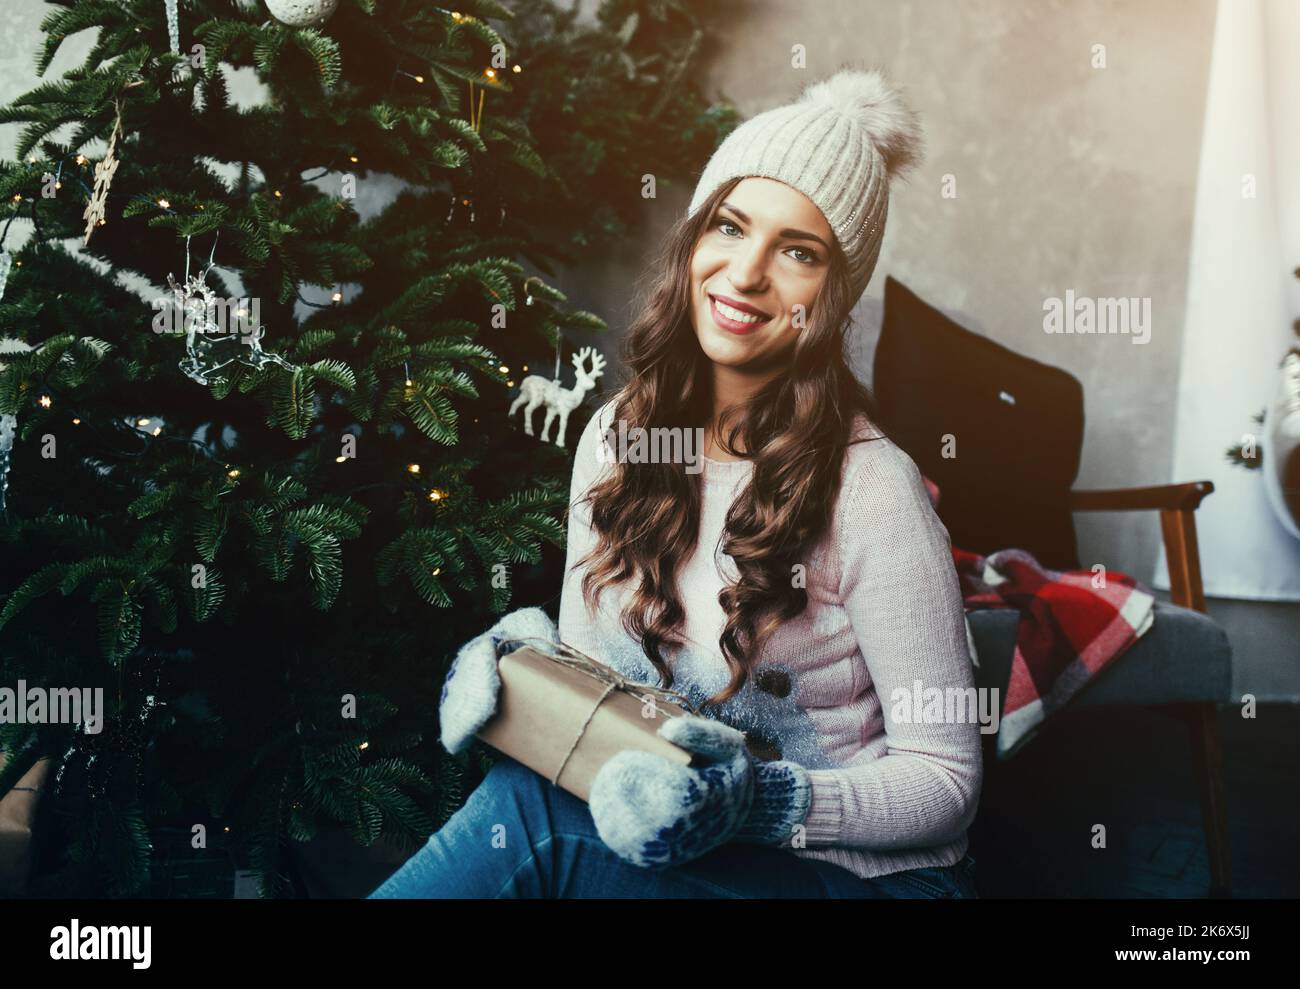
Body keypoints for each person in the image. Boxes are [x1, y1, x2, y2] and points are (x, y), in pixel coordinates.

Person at [369, 65, 983, 899]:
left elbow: (946, 784)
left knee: (537, 825)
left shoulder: (874, 490)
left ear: (832, 298)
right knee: (531, 797)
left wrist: (753, 802)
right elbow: (598, 705)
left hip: (853, 876)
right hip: (683, 863)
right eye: (730, 226)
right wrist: (518, 670)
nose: (747, 273)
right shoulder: (619, 434)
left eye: (797, 252)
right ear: (695, 239)